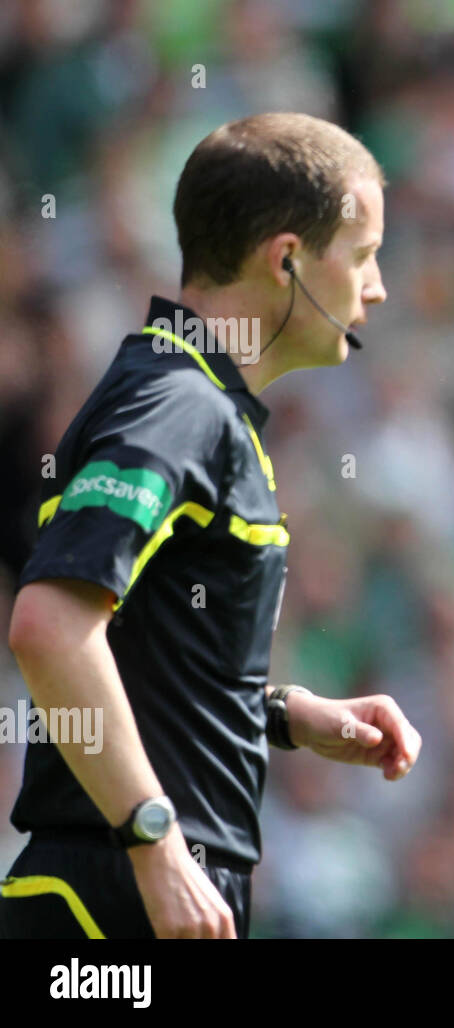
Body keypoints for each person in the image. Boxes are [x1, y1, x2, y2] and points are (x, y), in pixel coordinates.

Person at [1, 112, 421, 939]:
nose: (377, 289)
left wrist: (286, 715)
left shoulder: (196, 401)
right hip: (112, 900)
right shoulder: (177, 405)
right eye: (365, 256)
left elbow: (141, 651)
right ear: (289, 259)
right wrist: (155, 842)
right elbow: (49, 628)